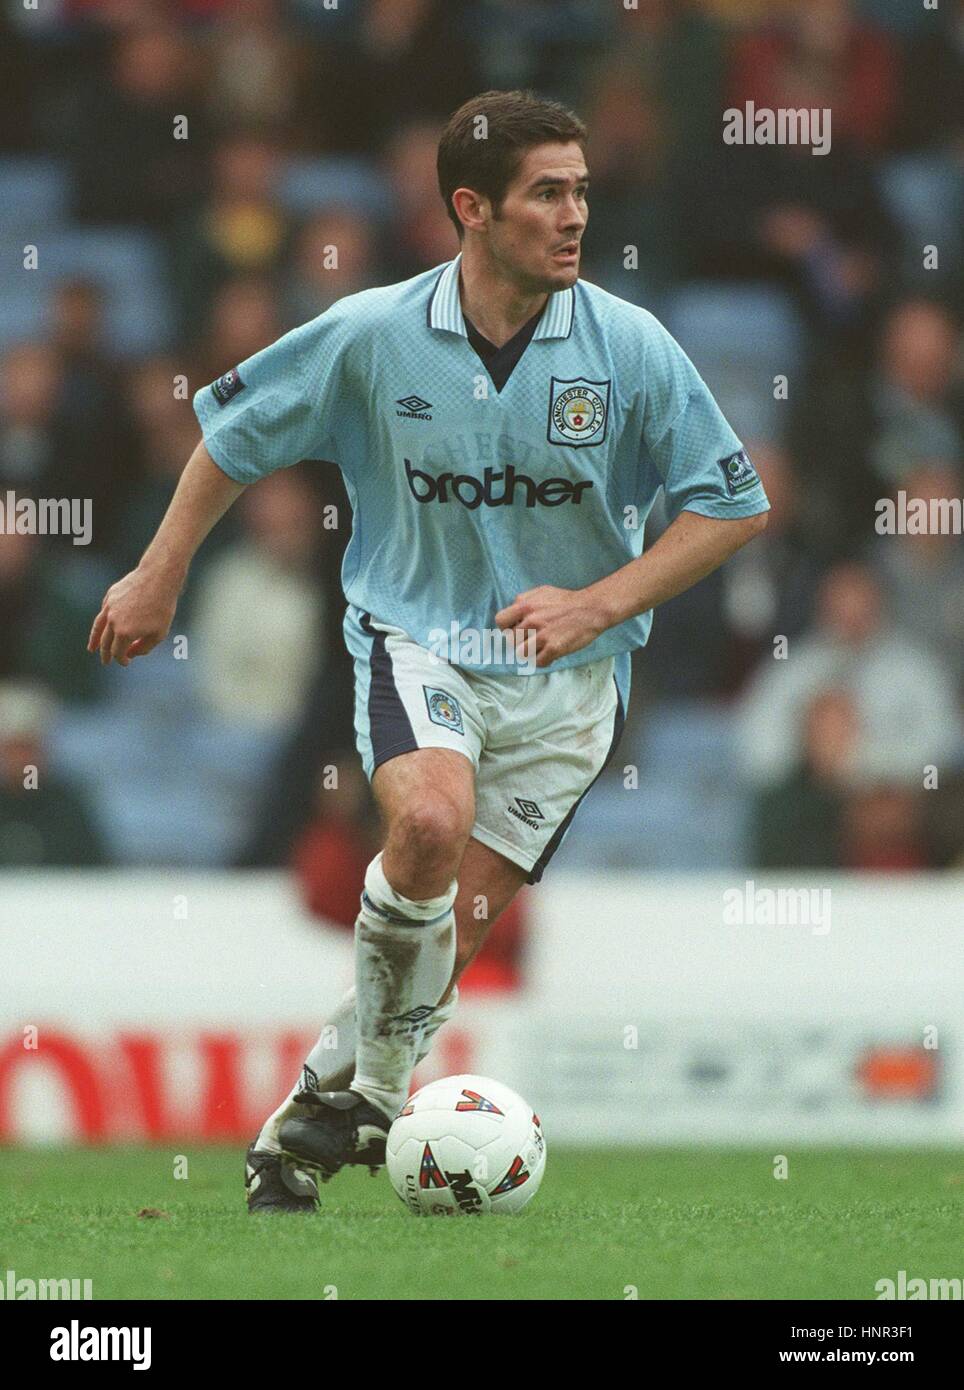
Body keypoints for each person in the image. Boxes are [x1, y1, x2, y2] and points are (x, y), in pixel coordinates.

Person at [87, 90, 769, 1213]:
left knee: (445, 930)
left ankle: (304, 1120)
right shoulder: (370, 334)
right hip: (420, 641)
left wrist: (599, 603)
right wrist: (157, 574)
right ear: (472, 208)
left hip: (570, 689)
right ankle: (389, 1087)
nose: (573, 216)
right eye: (547, 192)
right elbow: (230, 435)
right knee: (428, 825)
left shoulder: (631, 347)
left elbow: (731, 507)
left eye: (582, 192)